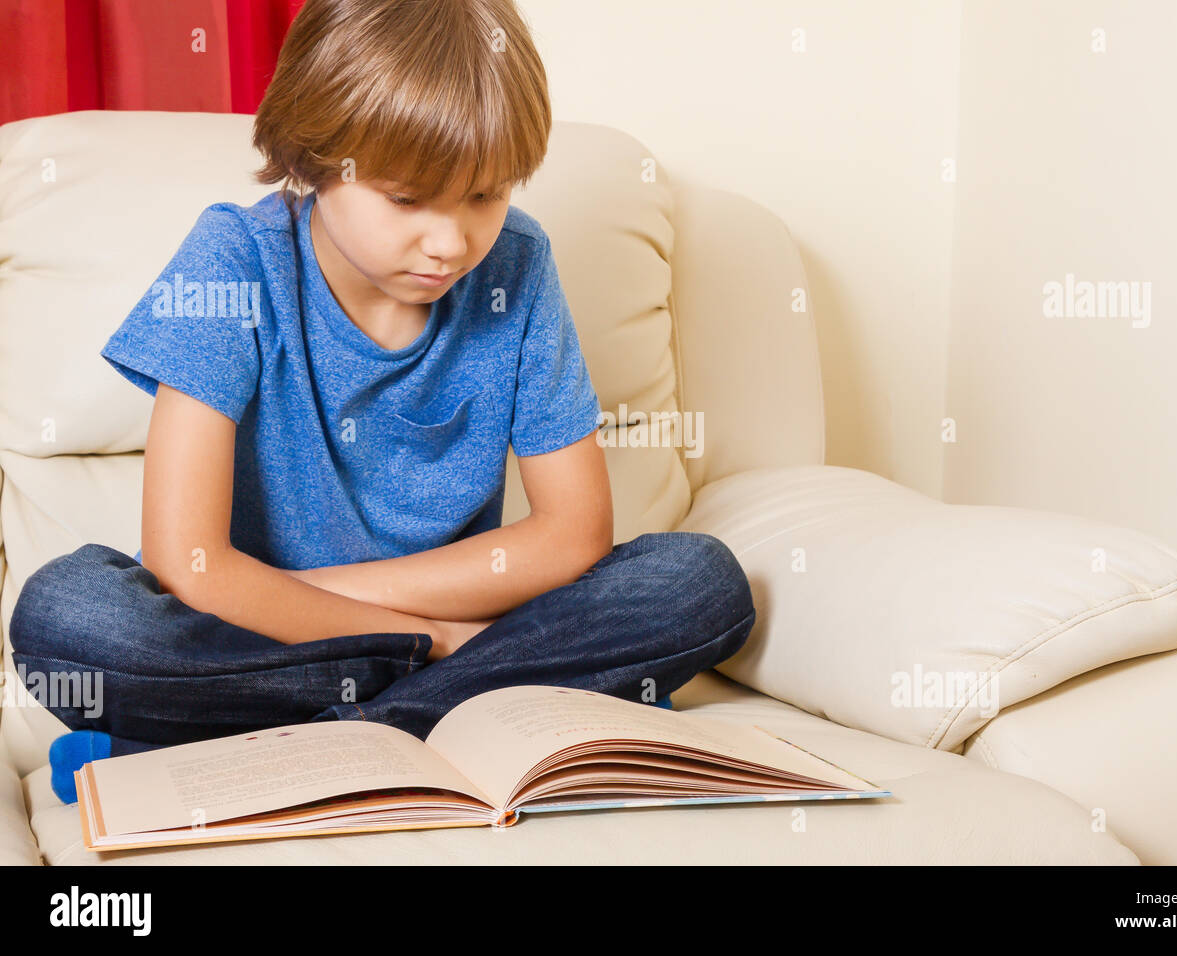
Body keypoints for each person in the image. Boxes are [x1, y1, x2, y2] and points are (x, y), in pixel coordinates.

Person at [8, 0, 755, 805]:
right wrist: (434, 642)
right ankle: (482, 706)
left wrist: (358, 599)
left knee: (696, 580)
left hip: (419, 630)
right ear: (316, 159)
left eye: (485, 196)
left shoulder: (519, 268)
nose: (450, 243)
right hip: (277, 631)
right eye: (407, 200)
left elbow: (573, 533)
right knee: (69, 618)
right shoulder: (232, 258)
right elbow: (189, 561)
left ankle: (241, 740)